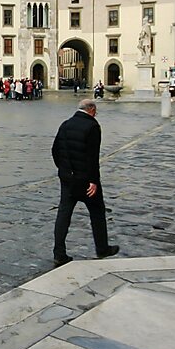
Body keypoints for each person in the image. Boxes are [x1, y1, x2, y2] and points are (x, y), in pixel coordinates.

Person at [50, 98, 120, 266]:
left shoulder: (65, 124)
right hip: (86, 180)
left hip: (67, 179)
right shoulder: (92, 126)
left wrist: (64, 169)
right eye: (95, 111)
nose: (96, 114)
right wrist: (93, 181)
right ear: (91, 110)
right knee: (97, 212)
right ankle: (102, 248)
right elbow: (92, 157)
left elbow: (55, 150)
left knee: (63, 215)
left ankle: (59, 253)